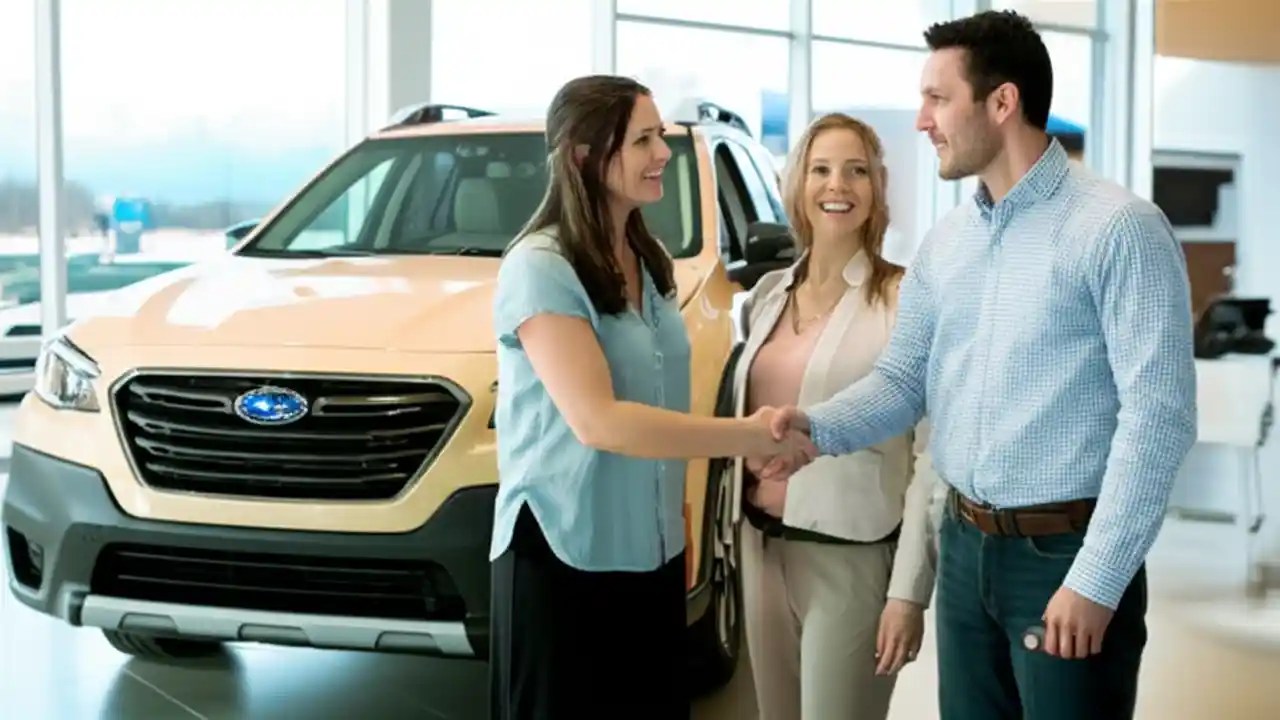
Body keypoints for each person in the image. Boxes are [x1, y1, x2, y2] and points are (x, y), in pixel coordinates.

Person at [755, 11, 1197, 720]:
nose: (922, 120)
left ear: (1002, 102)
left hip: (1064, 555)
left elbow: (1160, 418)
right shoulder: (947, 242)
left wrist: (1099, 576)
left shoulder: (1118, 229)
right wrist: (813, 427)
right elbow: (903, 381)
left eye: (938, 98)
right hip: (964, 551)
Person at [486, 74, 815, 720]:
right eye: (642, 140)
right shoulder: (541, 267)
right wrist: (747, 436)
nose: (663, 152)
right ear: (584, 155)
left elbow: (663, 399)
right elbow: (600, 422)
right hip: (565, 558)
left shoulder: (649, 257)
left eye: (659, 136)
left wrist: (680, 515)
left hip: (651, 554)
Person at [730, 112, 939, 720]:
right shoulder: (768, 296)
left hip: (852, 556)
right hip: (760, 549)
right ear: (797, 184)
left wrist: (908, 593)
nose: (837, 185)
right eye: (820, 169)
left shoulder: (904, 298)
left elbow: (930, 457)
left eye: (856, 171)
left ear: (877, 188)